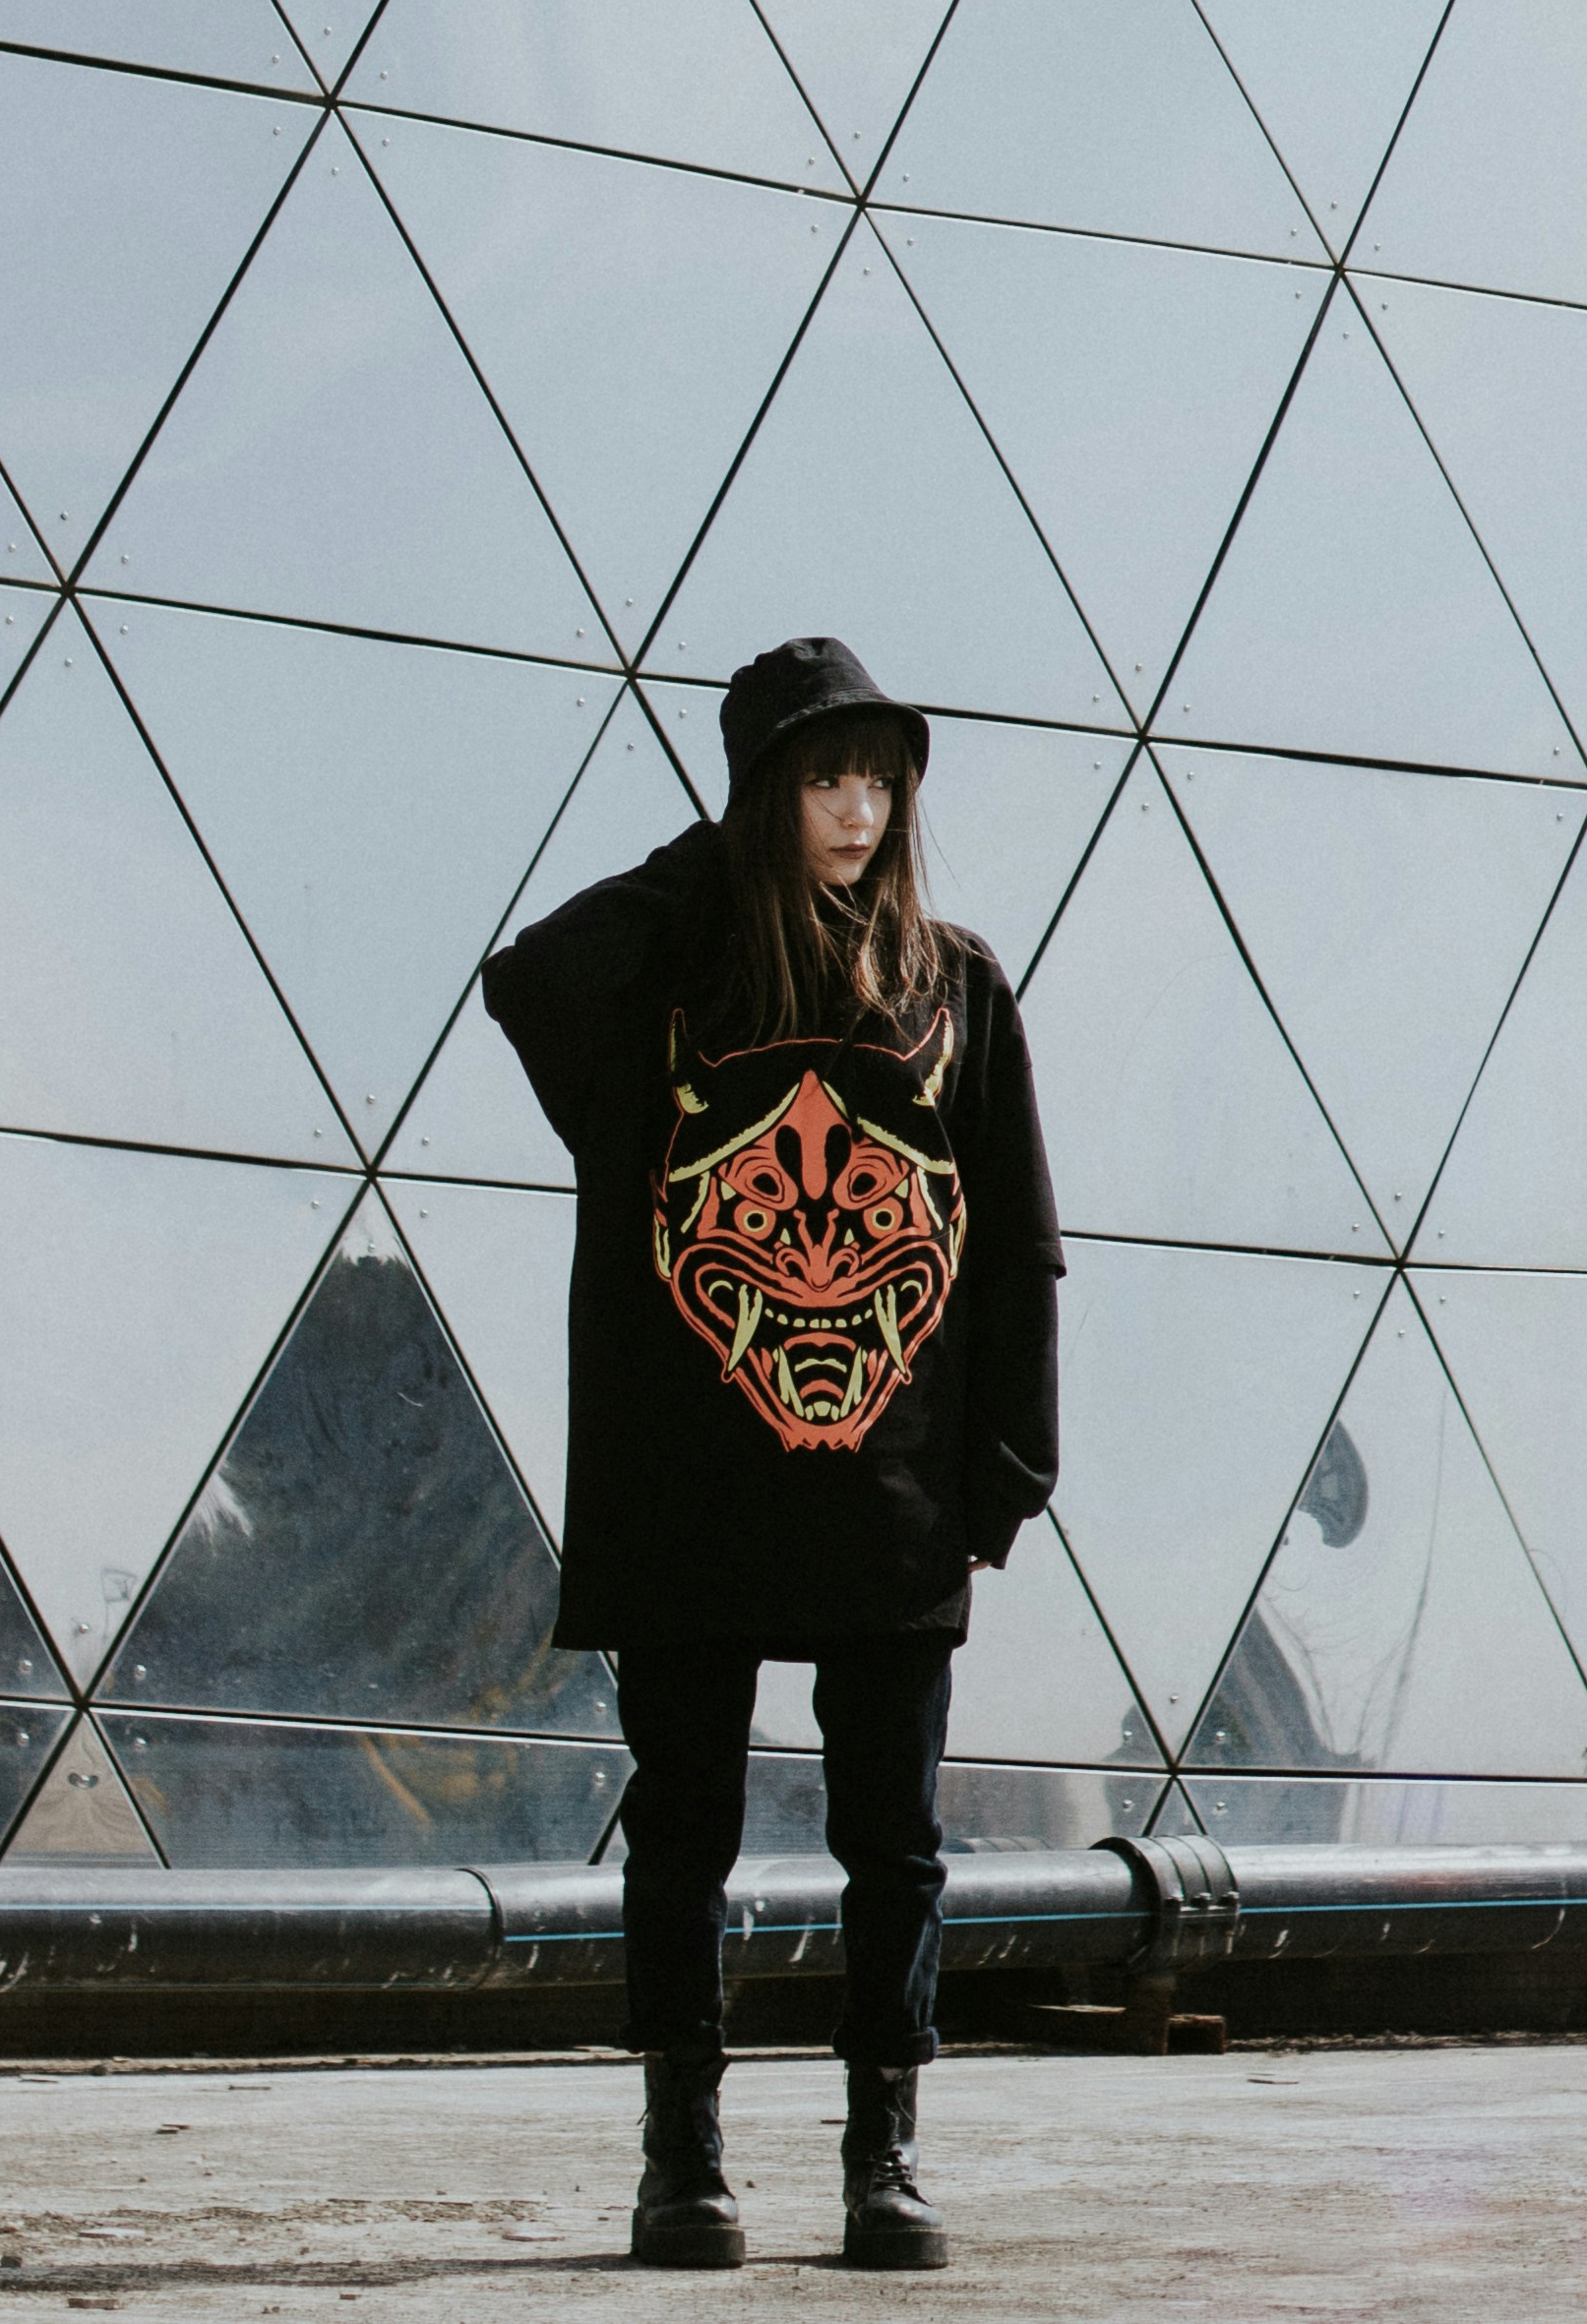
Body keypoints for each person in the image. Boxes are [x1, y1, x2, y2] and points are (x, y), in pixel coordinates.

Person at [483, 636, 1062, 2274]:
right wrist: (714, 860)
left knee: (896, 1838)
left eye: (880, 775)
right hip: (696, 1482)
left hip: (891, 1486)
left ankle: (887, 2158)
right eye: (821, 775)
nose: (861, 808)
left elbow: (1016, 1240)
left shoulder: (958, 985)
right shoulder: (678, 971)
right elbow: (531, 977)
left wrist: (1006, 1471)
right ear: (760, 792)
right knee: (686, 1826)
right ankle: (687, 2158)